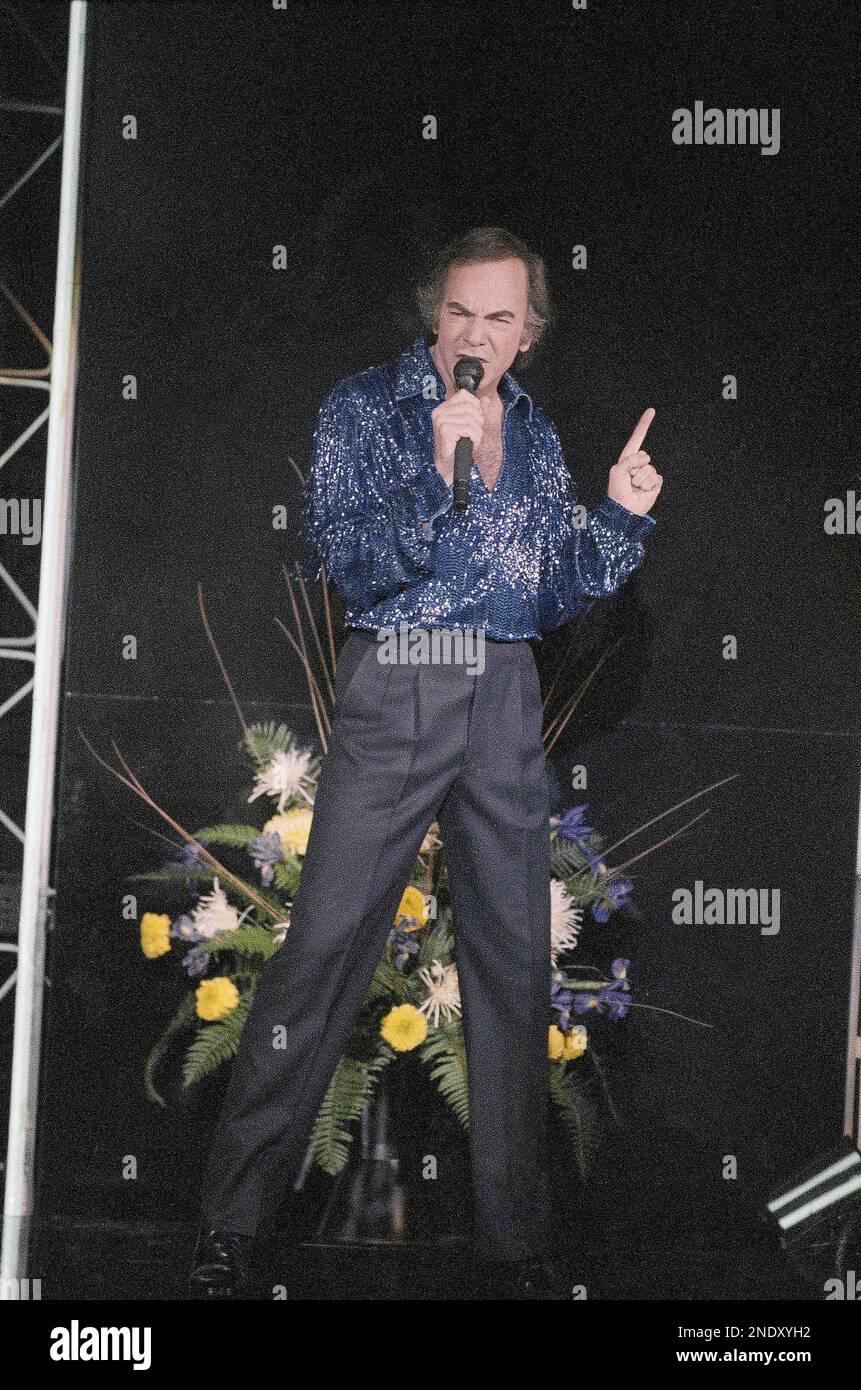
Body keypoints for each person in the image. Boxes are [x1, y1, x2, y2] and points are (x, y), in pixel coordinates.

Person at [188, 226, 662, 1300]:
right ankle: (230, 1225)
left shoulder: (536, 435)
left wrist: (619, 520)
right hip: (399, 673)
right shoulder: (366, 406)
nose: (476, 335)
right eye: (460, 312)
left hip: (501, 689)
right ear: (432, 315)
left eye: (500, 318)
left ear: (528, 334)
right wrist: (440, 480)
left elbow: (548, 590)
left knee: (508, 968)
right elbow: (335, 557)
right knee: (321, 959)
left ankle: (515, 1241)